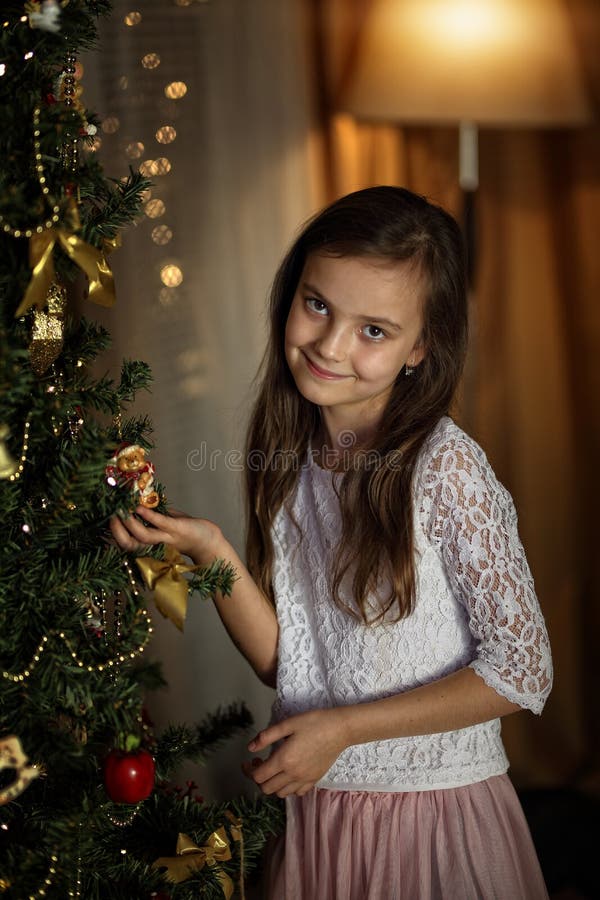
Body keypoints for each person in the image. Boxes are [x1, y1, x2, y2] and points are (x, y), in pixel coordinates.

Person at [111, 186, 553, 899]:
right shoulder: (292, 463)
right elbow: (294, 670)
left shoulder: (445, 467)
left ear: (421, 349)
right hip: (323, 815)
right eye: (318, 304)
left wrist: (343, 729)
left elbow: (523, 670)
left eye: (373, 330)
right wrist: (213, 553)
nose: (328, 344)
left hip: (431, 824)